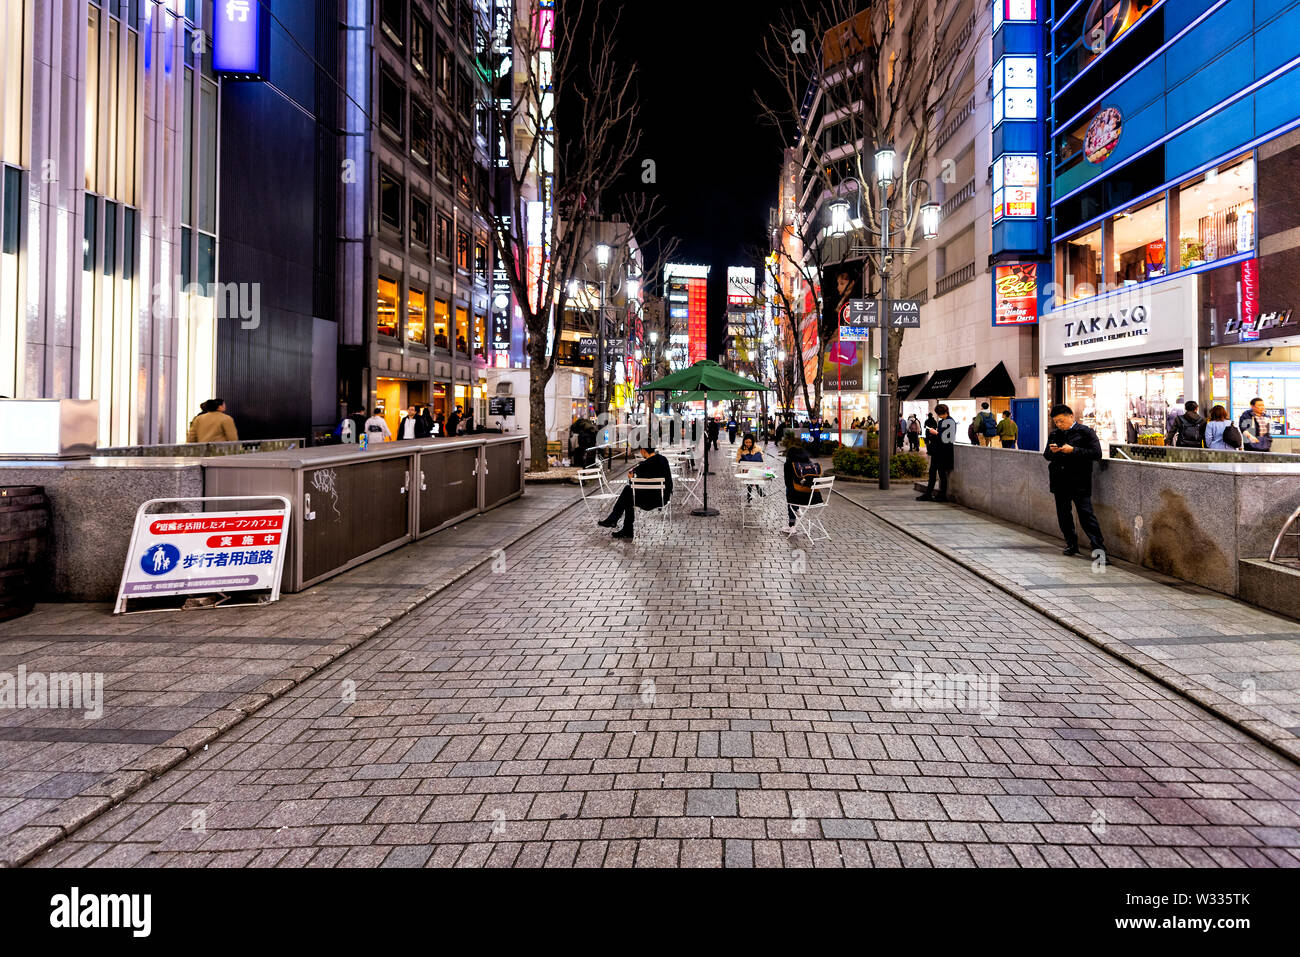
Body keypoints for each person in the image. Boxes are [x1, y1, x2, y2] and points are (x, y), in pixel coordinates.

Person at [1044, 403, 1105, 558]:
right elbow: (1046, 456)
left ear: (1071, 416)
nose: (1059, 424)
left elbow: (1096, 454)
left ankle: (1099, 551)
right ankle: (1071, 545)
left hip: (1079, 480)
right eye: (1056, 422)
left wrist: (1074, 450)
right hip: (1059, 481)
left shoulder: (1086, 432)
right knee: (1064, 516)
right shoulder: (1054, 434)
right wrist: (1053, 451)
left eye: (1061, 421)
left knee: (1087, 516)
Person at [598, 445, 673, 539]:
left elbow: (636, 487)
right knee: (629, 496)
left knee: (628, 491)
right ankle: (623, 528)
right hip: (662, 499)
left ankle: (618, 523)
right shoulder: (663, 460)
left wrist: (631, 479)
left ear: (643, 451)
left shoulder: (643, 466)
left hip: (647, 501)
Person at [917, 404, 956, 501]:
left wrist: (936, 433)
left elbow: (948, 438)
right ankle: (929, 493)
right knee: (933, 472)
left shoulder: (950, 422)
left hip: (944, 451)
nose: (938, 415)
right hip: (938, 451)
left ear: (944, 412)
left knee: (941, 473)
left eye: (939, 413)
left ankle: (942, 495)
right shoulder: (943, 421)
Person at [783, 444, 823, 527]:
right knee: (793, 490)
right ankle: (797, 509)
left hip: (799, 499)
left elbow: (787, 483)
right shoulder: (810, 464)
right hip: (815, 498)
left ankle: (791, 526)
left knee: (790, 492)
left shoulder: (789, 464)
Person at [736, 434, 766, 501]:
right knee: (750, 472)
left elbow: (762, 460)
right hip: (745, 471)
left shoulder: (758, 448)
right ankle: (758, 489)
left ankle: (749, 494)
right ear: (744, 442)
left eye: (750, 442)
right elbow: (738, 460)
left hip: (756, 470)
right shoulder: (741, 449)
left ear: (753, 442)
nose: (748, 444)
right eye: (746, 442)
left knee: (753, 472)